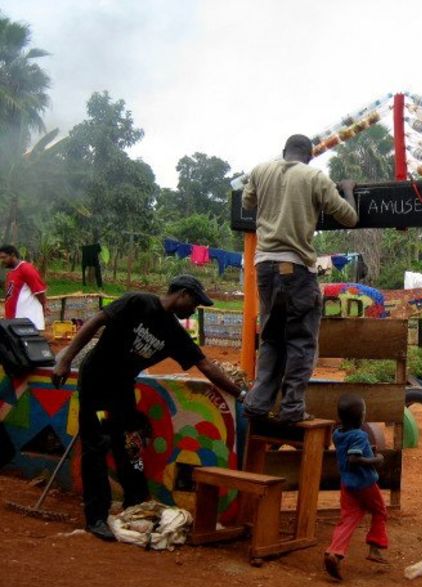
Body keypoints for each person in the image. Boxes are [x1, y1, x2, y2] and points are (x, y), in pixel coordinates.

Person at [51, 275, 247, 542]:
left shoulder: (174, 333)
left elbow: (206, 366)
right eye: (194, 303)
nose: (194, 310)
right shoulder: (138, 302)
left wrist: (241, 394)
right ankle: (96, 516)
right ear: (183, 294)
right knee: (97, 444)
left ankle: (136, 502)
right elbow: (96, 321)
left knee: (130, 442)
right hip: (96, 384)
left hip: (122, 389)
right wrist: (66, 359)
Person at [241, 134, 358, 423]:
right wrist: (347, 189)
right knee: (301, 340)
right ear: (311, 155)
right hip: (297, 269)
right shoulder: (315, 177)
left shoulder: (260, 170)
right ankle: (292, 408)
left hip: (264, 266)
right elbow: (350, 218)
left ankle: (258, 403)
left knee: (271, 337)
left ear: (284, 151)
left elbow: (247, 202)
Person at [323, 393, 388, 580]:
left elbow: (350, 452)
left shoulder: (338, 434)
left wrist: (368, 451)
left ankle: (335, 552)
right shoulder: (359, 435)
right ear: (360, 417)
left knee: (349, 518)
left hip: (347, 484)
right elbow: (354, 459)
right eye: (363, 413)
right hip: (364, 483)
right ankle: (375, 547)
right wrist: (376, 459)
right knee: (380, 511)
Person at [0, 245, 48, 330]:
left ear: (13, 255)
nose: (2, 260)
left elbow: (39, 291)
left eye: (4, 257)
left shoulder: (26, 268)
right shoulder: (11, 273)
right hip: (14, 319)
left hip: (27, 319)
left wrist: (44, 305)